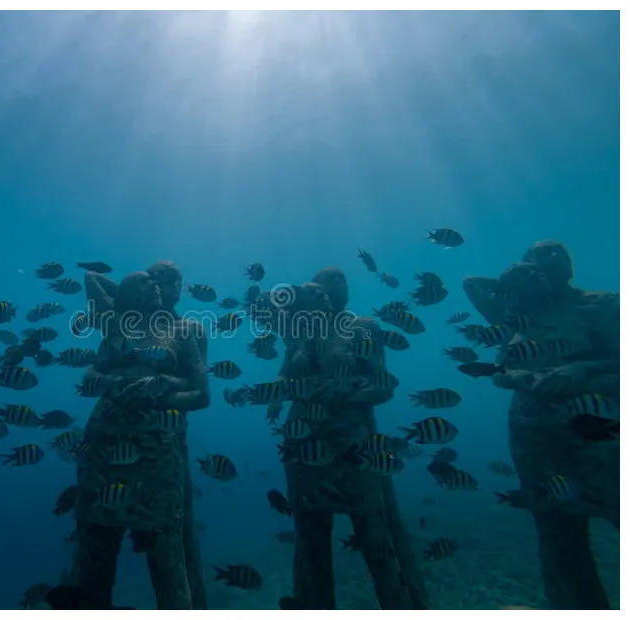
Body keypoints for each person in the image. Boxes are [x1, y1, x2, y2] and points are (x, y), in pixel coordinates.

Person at [258, 267, 428, 609]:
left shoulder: (363, 327)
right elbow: (283, 371)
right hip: (303, 446)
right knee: (310, 540)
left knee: (374, 535)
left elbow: (383, 387)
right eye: (328, 281)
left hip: (354, 446)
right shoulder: (298, 331)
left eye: (342, 279)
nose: (338, 284)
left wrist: (343, 394)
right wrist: (276, 392)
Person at [463, 240, 618, 609]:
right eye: (542, 254)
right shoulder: (515, 311)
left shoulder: (601, 304)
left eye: (560, 251)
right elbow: (471, 283)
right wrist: (516, 279)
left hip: (596, 436)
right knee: (556, 536)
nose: (555, 256)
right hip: (534, 438)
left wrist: (580, 372)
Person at [74, 271, 210, 609]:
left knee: (167, 557)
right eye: (148, 282)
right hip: (102, 448)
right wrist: (111, 383)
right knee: (93, 555)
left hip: (156, 451)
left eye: (160, 282)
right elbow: (91, 279)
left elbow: (201, 395)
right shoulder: (117, 327)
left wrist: (158, 392)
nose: (156, 287)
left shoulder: (184, 330)